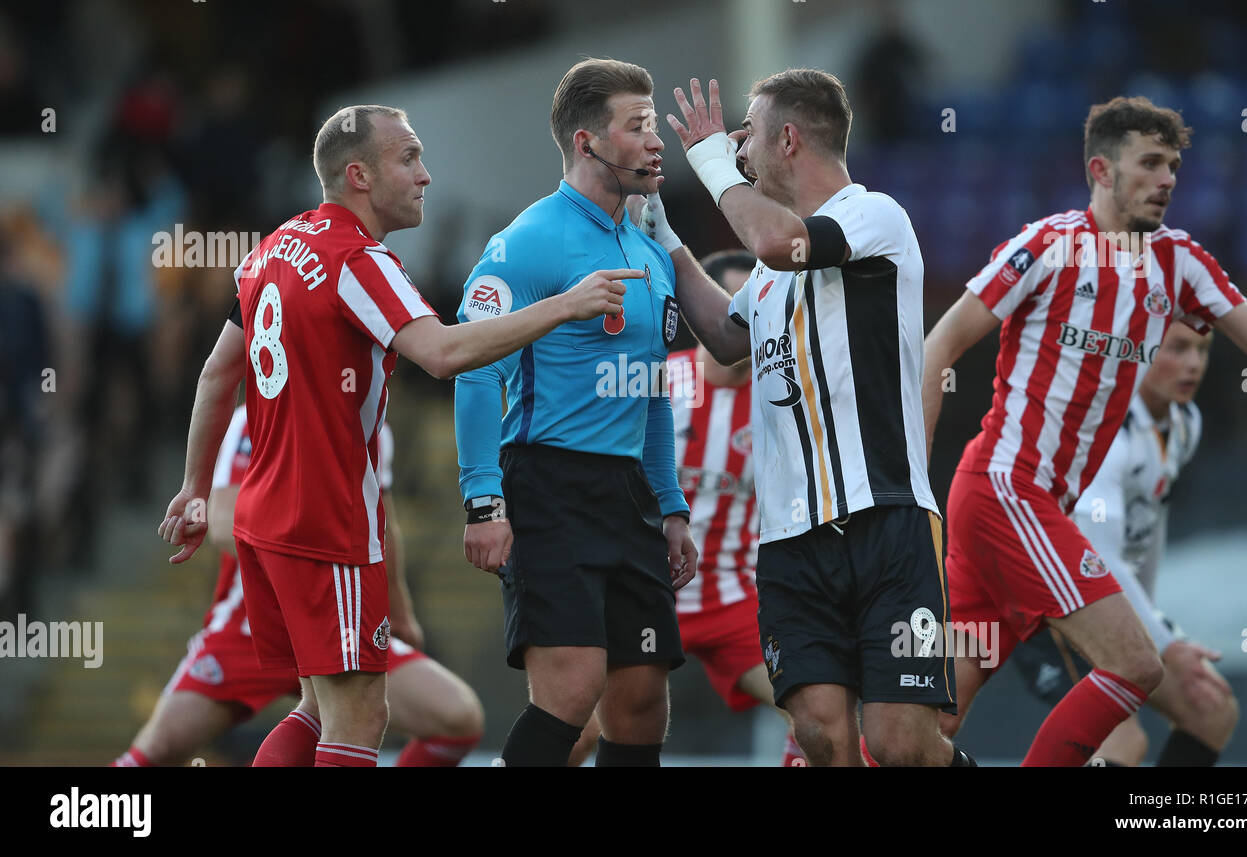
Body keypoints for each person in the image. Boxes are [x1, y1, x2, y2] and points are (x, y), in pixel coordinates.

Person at [158, 104, 627, 767]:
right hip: (325, 521)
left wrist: (193, 488)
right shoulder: (359, 260)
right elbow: (441, 353)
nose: (426, 175)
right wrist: (564, 304)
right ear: (359, 175)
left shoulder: (274, 246)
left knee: (317, 708)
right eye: (408, 158)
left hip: (266, 519)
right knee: (360, 714)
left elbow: (215, 374)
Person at [923, 96, 1247, 765]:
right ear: (1101, 169)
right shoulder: (1045, 245)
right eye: (1151, 163)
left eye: (1174, 167)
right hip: (1006, 489)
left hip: (1023, 509)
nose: (1168, 179)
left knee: (929, 727)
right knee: (1133, 665)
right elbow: (938, 347)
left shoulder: (1179, 261)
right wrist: (913, 490)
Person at [635, 70, 970, 767]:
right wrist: (667, 240)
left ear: (789, 138)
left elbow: (778, 242)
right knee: (819, 732)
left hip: (888, 524)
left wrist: (707, 161)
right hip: (789, 541)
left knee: (900, 743)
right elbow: (727, 341)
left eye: (748, 136)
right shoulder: (768, 274)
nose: (740, 151)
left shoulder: (874, 215)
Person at [454, 59, 697, 768]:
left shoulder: (649, 251)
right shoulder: (527, 242)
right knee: (574, 689)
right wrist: (481, 500)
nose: (657, 142)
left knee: (642, 696)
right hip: (547, 487)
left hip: (629, 495)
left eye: (655, 125)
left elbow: (650, 389)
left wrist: (672, 505)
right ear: (589, 142)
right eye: (639, 126)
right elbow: (474, 367)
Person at [120, 407, 484, 766]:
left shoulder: (372, 426)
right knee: (160, 749)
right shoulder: (254, 420)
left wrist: (400, 614)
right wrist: (309, 574)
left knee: (457, 720)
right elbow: (222, 520)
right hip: (253, 627)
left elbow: (381, 524)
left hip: (343, 620)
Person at [565, 250, 808, 767]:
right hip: (639, 588)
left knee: (819, 714)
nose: (751, 326)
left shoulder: (788, 404)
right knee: (577, 734)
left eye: (761, 312)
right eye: (735, 311)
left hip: (733, 598)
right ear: (702, 316)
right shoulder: (653, 383)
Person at [1011, 323, 1237, 765]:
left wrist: (1149, 623)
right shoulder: (1106, 427)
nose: (1193, 363)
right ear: (1136, 353)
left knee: (1211, 709)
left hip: (1098, 594)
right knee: (1121, 742)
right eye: (1178, 348)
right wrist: (1165, 644)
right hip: (1051, 599)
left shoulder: (1185, 422)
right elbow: (1098, 548)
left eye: (1202, 349)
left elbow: (1150, 525)